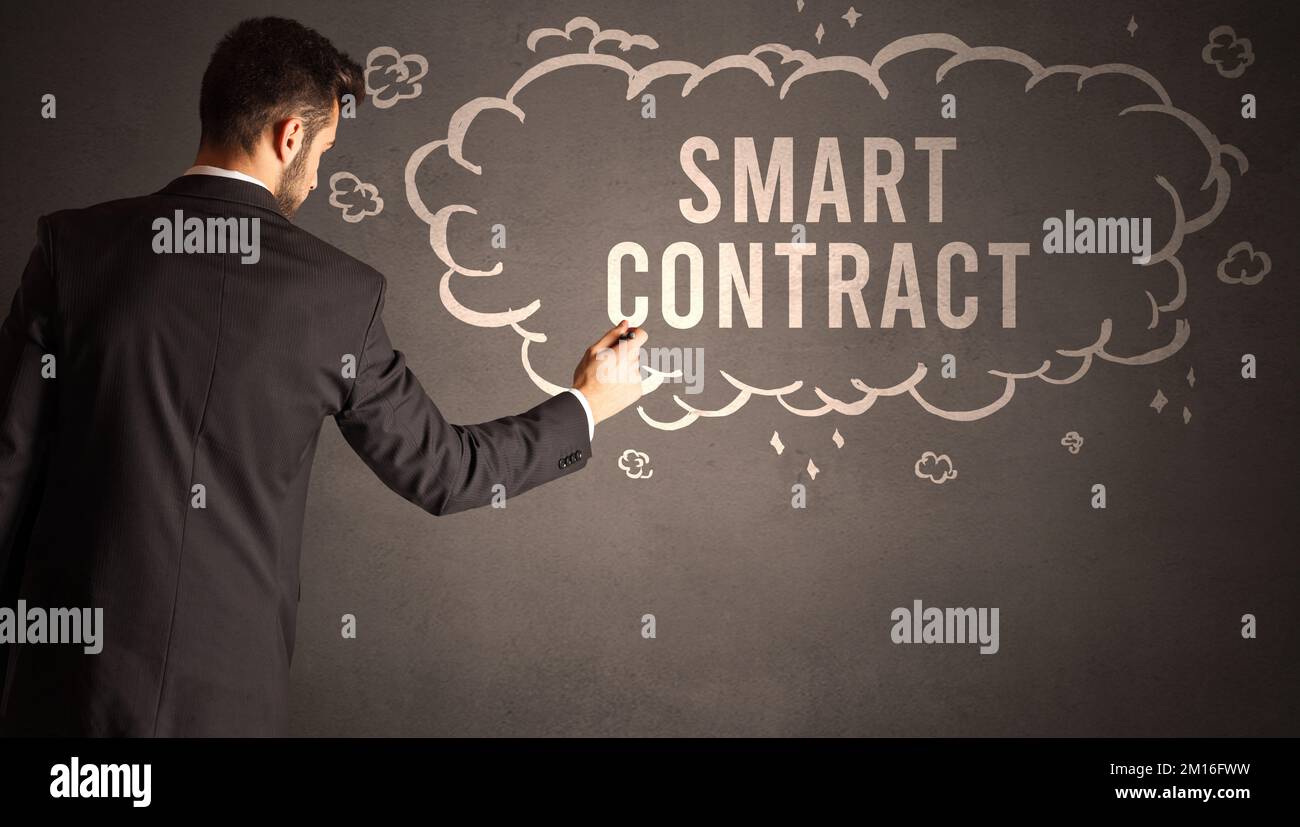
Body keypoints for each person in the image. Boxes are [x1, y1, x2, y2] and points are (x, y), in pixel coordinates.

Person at [0, 16, 647, 736]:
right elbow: (447, 472)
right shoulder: (340, 296)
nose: (316, 176)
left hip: (63, 700)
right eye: (325, 151)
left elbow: (7, 468)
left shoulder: (72, 250)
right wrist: (587, 402)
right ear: (289, 136)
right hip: (229, 706)